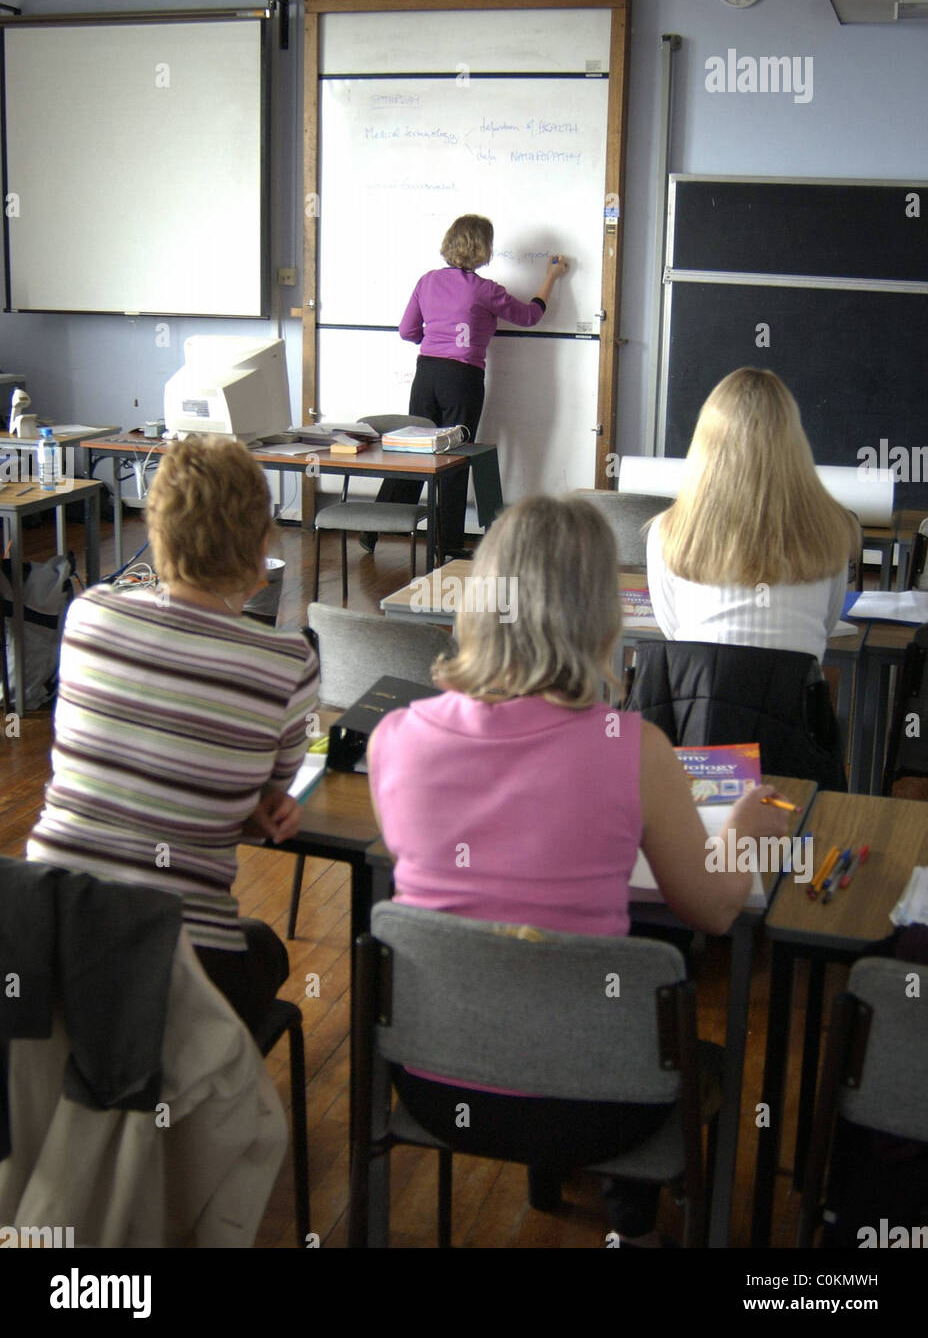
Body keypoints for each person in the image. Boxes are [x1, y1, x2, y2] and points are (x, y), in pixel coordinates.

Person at [367, 493, 790, 1245]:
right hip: (603, 1100)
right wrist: (749, 831)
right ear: (602, 614)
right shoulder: (635, 749)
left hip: (430, 1078)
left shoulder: (395, 740)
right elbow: (717, 910)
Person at [27, 436, 319, 1035]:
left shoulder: (88, 616)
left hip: (44, 935)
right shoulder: (288, 662)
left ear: (154, 527)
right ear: (262, 544)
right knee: (265, 950)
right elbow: (257, 806)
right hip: (178, 965)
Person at [361, 214, 567, 559]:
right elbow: (531, 315)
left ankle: (372, 529)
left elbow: (407, 332)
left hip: (426, 375)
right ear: (483, 249)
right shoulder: (485, 290)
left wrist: (437, 340)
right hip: (463, 379)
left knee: (413, 453)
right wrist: (551, 276)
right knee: (454, 457)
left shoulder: (427, 281)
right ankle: (449, 542)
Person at [646, 367, 861, 662]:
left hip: (697, 702)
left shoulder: (667, 530)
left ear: (705, 444)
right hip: (794, 703)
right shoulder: (834, 528)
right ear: (795, 441)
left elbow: (674, 632)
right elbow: (825, 627)